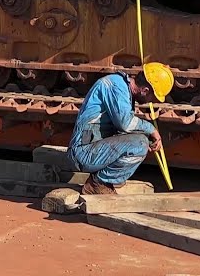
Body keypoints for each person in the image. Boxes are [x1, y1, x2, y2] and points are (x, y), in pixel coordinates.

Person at [68, 62, 174, 195]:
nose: (150, 102)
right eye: (152, 97)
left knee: (140, 141)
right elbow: (125, 123)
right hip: (83, 153)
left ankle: (104, 180)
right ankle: (98, 184)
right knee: (139, 144)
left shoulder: (123, 89)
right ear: (145, 90)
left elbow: (121, 128)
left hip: (91, 148)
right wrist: (151, 129)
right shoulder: (116, 86)